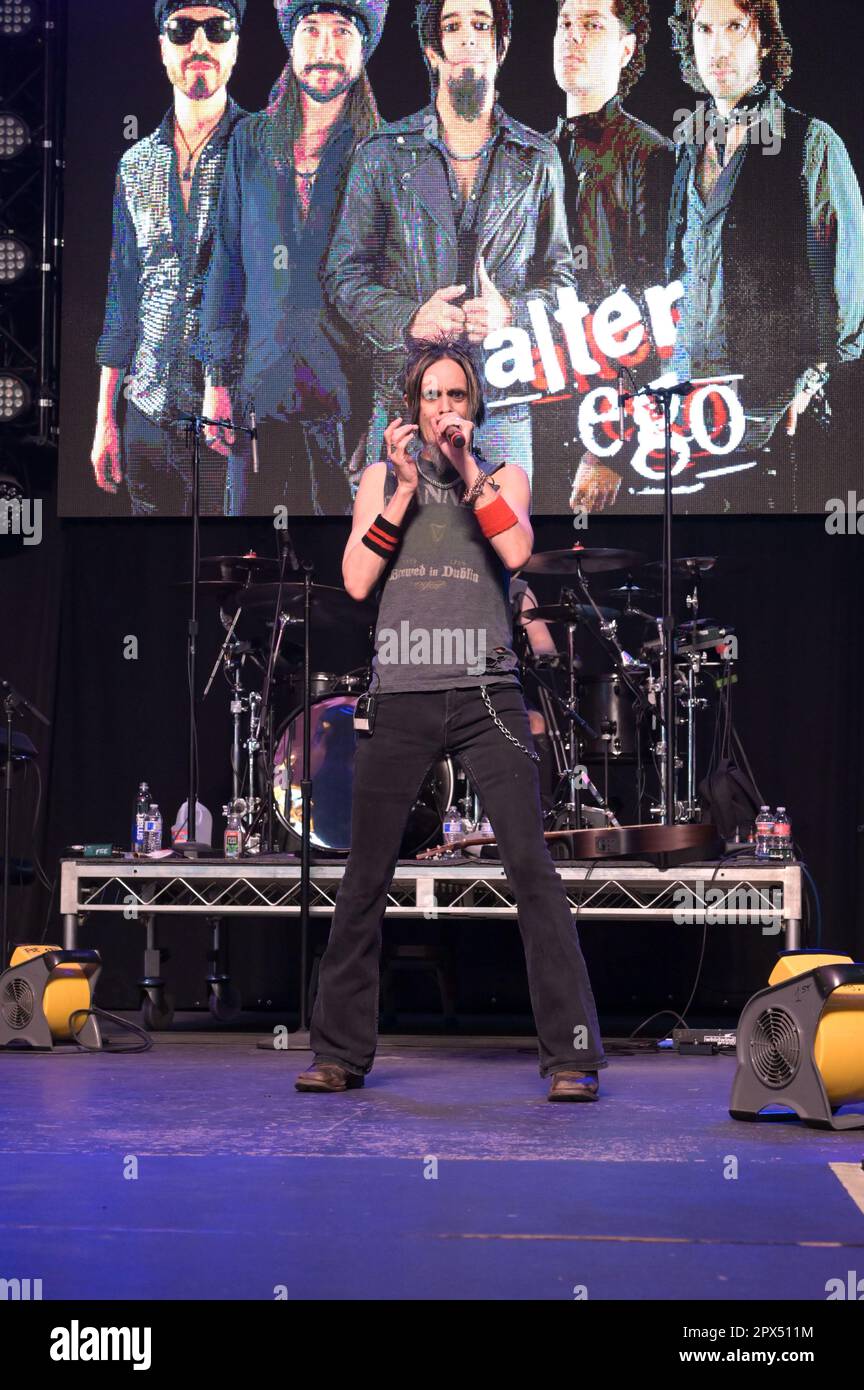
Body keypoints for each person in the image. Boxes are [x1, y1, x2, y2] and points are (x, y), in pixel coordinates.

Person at [295, 339, 607, 1101]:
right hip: (400, 695)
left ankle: (571, 1057)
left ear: (473, 408)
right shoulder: (379, 478)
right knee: (365, 876)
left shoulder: (502, 475)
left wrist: (466, 471)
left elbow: (518, 548)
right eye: (432, 397)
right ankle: (337, 1054)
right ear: (413, 409)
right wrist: (402, 492)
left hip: (487, 696)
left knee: (530, 868)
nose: (444, 409)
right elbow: (358, 579)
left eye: (456, 397)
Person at [324, 0, 576, 484]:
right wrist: (411, 318)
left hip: (501, 404)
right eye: (452, 25)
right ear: (431, 50)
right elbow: (343, 276)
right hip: (408, 402)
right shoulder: (381, 156)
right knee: (405, 554)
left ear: (500, 46)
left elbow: (561, 281)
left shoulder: (539, 158)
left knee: (502, 554)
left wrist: (511, 315)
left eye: (481, 25)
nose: (466, 38)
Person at [665, 0, 864, 500]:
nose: (718, 45)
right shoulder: (685, 152)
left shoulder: (811, 143)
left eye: (735, 26)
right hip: (689, 427)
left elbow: (851, 299)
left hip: (780, 427)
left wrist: (803, 389)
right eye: (704, 29)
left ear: (765, 41)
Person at [199, 0, 389, 516]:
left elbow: (395, 287)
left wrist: (382, 420)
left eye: (342, 32)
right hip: (259, 388)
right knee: (249, 564)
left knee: (345, 569)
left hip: (349, 399)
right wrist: (216, 382)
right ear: (289, 40)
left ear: (364, 46)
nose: (324, 50)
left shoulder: (387, 152)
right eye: (311, 31)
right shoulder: (249, 142)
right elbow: (227, 261)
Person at [91, 2, 248, 516]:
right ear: (162, 48)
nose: (199, 45)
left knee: (237, 569)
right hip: (149, 413)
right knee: (155, 574)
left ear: (235, 45)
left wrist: (223, 383)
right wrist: (104, 419)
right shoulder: (135, 164)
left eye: (216, 29)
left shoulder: (260, 147)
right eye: (182, 31)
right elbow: (122, 295)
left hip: (235, 413)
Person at [550, 0, 674, 515]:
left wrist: (612, 443)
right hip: (539, 411)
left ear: (626, 48)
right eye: (565, 25)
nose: (573, 37)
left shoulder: (653, 155)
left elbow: (662, 311)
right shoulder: (532, 152)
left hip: (611, 431)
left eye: (592, 25)